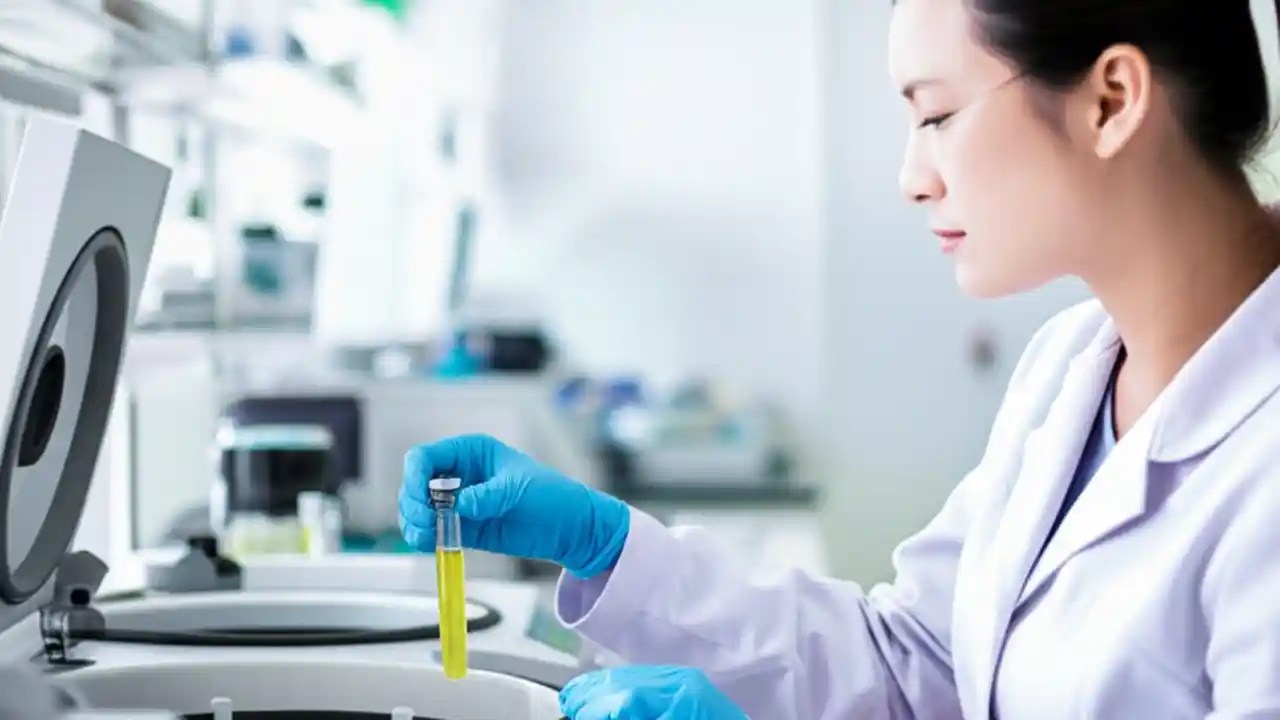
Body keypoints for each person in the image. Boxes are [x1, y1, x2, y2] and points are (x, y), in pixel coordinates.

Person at [400, 1, 1280, 717]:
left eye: (936, 113)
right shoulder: (1070, 370)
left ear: (1112, 99)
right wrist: (605, 544)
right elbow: (919, 663)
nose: (912, 175)